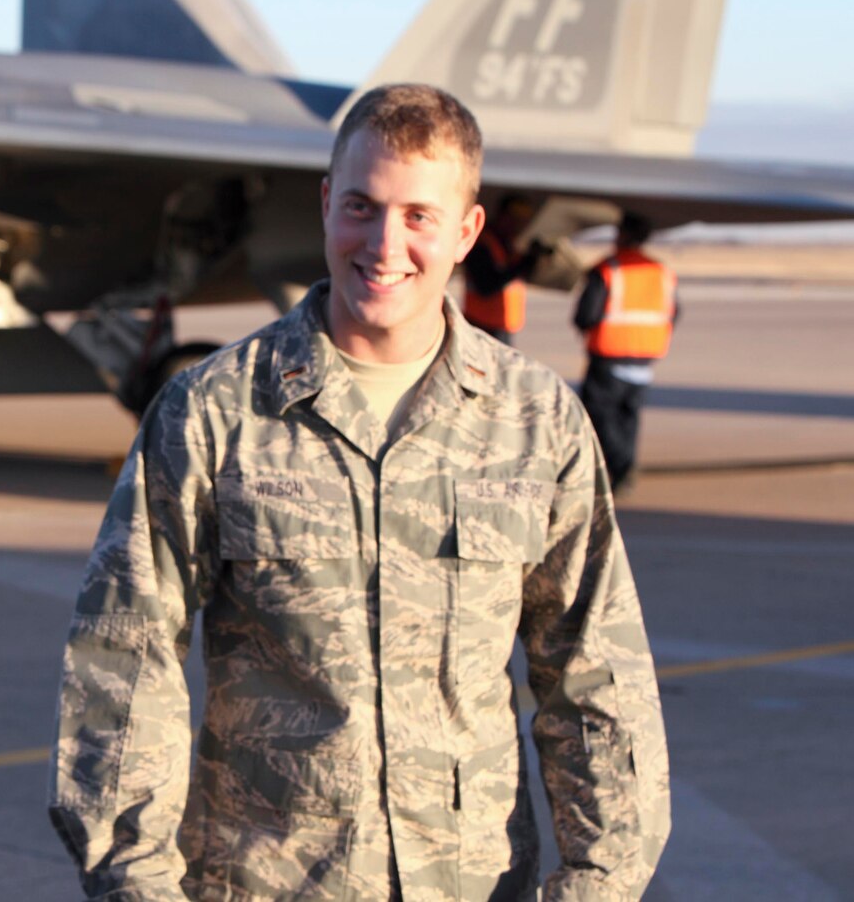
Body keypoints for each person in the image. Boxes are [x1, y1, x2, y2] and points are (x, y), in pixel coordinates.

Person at [50, 84, 670, 900]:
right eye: (360, 207)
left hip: (470, 883)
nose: (384, 244)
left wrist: (599, 881)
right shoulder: (214, 410)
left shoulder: (534, 421)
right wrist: (134, 879)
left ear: (466, 231)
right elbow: (123, 658)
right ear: (324, 208)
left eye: (418, 215)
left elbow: (595, 671)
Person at [574, 212, 679, 492]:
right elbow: (674, 311)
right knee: (628, 416)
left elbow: (585, 314)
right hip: (646, 356)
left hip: (610, 355)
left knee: (600, 415)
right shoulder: (661, 271)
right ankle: (624, 468)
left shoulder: (609, 269)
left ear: (622, 235)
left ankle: (619, 468)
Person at [462, 192, 547, 345]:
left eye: (521, 221)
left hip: (502, 326)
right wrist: (520, 266)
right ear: (502, 216)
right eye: (513, 219)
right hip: (481, 327)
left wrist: (532, 260)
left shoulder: (507, 245)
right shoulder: (483, 245)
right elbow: (486, 285)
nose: (517, 225)